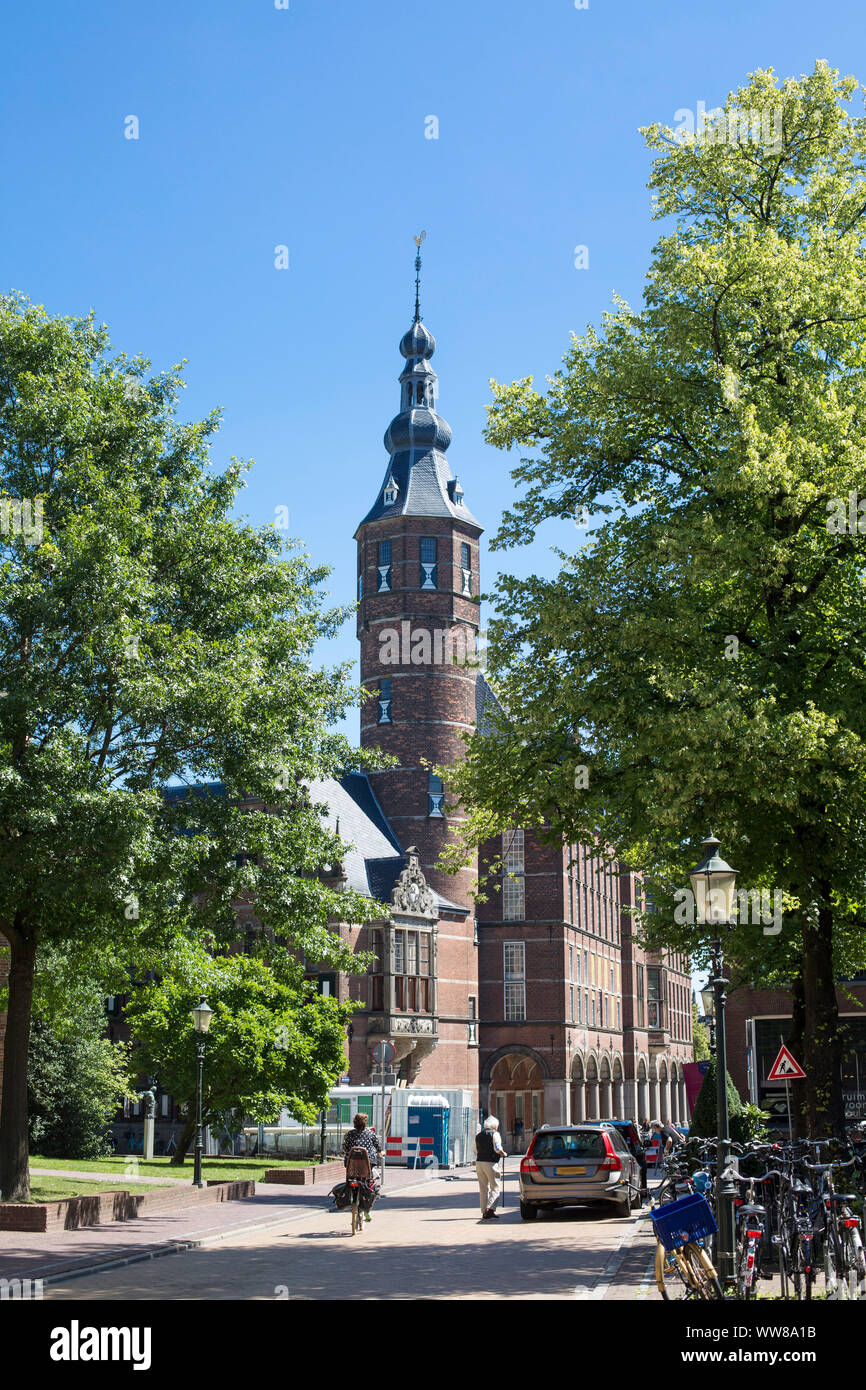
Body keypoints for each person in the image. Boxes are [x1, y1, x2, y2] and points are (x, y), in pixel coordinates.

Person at [342, 1113, 382, 1223]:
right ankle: (367, 1210)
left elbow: (345, 1147)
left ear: (354, 1122)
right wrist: (380, 1152)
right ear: (365, 1122)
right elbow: (377, 1146)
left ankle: (351, 1197)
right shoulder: (370, 1133)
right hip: (367, 1163)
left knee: (350, 1178)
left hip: (352, 1164)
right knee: (370, 1183)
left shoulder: (350, 1134)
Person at [475, 1115, 506, 1219]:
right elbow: (497, 1148)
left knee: (483, 1188)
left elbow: (475, 1150)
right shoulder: (495, 1134)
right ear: (495, 1126)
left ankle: (484, 1211)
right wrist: (503, 1153)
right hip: (491, 1162)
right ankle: (490, 1209)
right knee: (495, 1187)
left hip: (479, 1162)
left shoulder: (478, 1135)